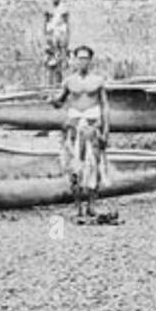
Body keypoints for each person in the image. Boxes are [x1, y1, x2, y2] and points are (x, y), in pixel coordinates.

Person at [50, 44, 110, 220]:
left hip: (92, 125)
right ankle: (78, 206)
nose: (82, 61)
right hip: (74, 125)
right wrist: (52, 101)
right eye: (79, 58)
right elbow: (59, 101)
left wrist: (106, 130)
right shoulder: (69, 81)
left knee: (93, 165)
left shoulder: (98, 81)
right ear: (74, 60)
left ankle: (92, 204)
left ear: (90, 60)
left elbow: (105, 106)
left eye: (85, 58)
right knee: (75, 165)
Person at [43, 0, 71, 87]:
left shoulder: (63, 9)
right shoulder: (48, 9)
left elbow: (67, 24)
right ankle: (50, 85)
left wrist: (66, 38)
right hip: (51, 37)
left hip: (60, 36)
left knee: (60, 62)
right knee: (50, 62)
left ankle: (60, 84)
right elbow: (45, 24)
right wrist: (46, 37)